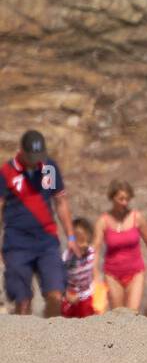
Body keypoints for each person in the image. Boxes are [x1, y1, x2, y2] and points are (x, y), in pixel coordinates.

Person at [1, 130, 76, 316]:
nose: (35, 160)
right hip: (17, 243)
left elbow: (60, 202)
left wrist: (71, 236)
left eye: (38, 156)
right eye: (31, 156)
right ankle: (24, 342)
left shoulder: (49, 168)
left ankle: (51, 338)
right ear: (22, 151)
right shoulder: (6, 172)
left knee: (56, 294)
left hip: (47, 241)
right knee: (23, 300)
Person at [92, 180, 147, 313]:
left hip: (135, 272)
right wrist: (95, 274)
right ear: (112, 198)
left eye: (127, 199)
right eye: (121, 199)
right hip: (112, 274)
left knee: (132, 313)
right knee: (118, 314)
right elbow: (95, 248)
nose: (125, 202)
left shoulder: (137, 218)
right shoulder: (103, 221)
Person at [62, 217, 97, 318]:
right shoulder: (67, 257)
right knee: (68, 318)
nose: (83, 245)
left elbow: (94, 271)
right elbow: (61, 277)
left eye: (86, 241)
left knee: (87, 317)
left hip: (86, 294)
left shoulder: (91, 253)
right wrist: (67, 294)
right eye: (80, 241)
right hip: (71, 295)